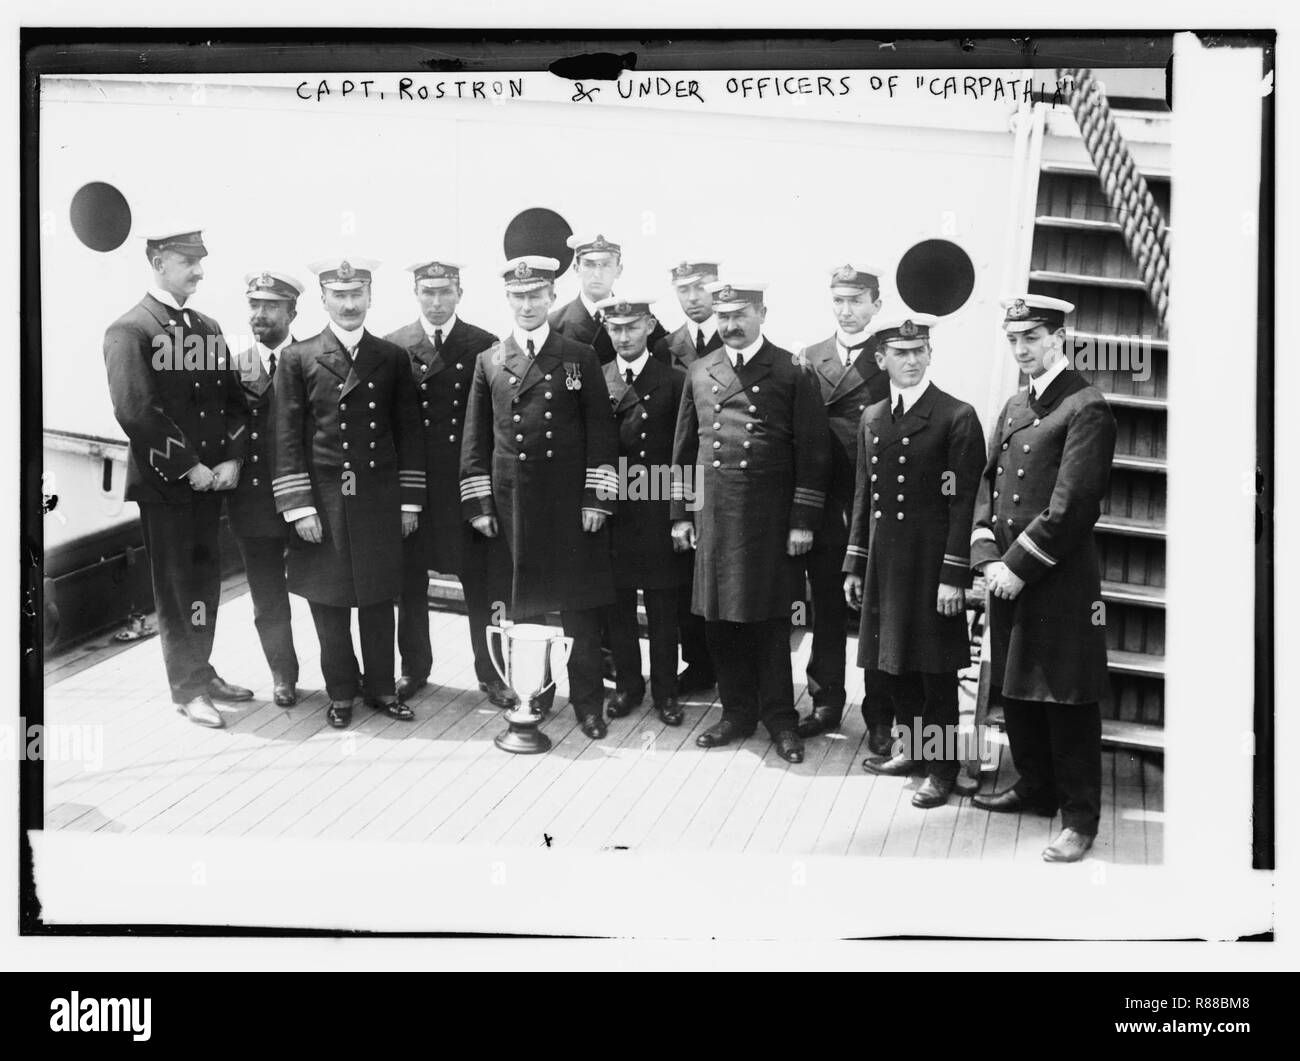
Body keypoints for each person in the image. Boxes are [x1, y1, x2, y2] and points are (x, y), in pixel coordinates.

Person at [969, 294, 1117, 862]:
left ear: (1059, 337)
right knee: (1018, 689)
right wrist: (986, 555)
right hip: (1007, 574)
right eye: (1013, 339)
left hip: (1056, 580)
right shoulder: (1014, 406)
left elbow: (1074, 505)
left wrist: (1017, 565)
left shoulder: (1085, 406)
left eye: (1031, 338)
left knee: (1066, 696)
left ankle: (1079, 819)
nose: (1021, 349)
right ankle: (1035, 788)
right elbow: (987, 485)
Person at [671, 281, 832, 764]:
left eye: (740, 315)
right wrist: (679, 515)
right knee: (719, 622)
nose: (730, 325)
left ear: (762, 312)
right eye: (723, 317)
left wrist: (803, 520)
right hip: (715, 517)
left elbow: (814, 452)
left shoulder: (791, 370)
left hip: (769, 520)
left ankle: (780, 719)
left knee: (769, 623)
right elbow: (682, 451)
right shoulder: (700, 371)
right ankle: (737, 712)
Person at [460, 256, 619, 740]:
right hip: (515, 508)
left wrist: (598, 498)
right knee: (524, 608)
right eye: (519, 296)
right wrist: (481, 505)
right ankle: (534, 693)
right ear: (507, 300)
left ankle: (588, 704)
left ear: (552, 298)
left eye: (536, 296)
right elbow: (475, 441)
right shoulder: (489, 360)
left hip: (570, 506)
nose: (528, 305)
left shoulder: (578, 356)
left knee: (579, 608)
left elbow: (601, 434)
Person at [103, 226, 253, 728]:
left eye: (200, 261)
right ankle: (186, 688)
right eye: (189, 261)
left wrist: (231, 459)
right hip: (169, 487)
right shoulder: (130, 330)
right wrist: (190, 467)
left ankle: (202, 669)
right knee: (175, 586)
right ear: (160, 262)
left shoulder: (208, 328)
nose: (199, 271)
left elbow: (234, 403)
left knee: (205, 583)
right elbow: (137, 412)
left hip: (212, 484)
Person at [271, 257, 425, 729]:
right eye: (340, 295)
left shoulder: (392, 357)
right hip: (323, 502)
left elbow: (409, 433)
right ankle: (340, 691)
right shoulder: (298, 358)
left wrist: (409, 501)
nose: (350, 304)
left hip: (378, 501)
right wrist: (299, 508)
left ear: (370, 297)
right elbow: (286, 438)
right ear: (324, 300)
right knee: (329, 603)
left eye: (357, 294)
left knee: (379, 600)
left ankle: (380, 688)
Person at [841, 315, 985, 808]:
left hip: (930, 564)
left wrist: (953, 576)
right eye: (900, 353)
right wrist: (855, 563)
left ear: (929, 355)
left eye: (918, 350)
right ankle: (916, 751)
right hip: (885, 562)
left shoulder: (956, 416)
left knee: (936, 670)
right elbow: (864, 494)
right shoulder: (873, 416)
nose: (910, 360)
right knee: (892, 664)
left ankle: (943, 770)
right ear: (880, 360)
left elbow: (964, 502)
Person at [385, 260, 514, 708]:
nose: (436, 302)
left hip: (466, 489)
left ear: (460, 292)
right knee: (409, 585)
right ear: (415, 293)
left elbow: (495, 424)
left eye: (445, 292)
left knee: (484, 586)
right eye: (428, 292)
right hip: (414, 491)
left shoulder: (485, 345)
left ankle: (493, 672)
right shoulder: (394, 346)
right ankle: (414, 669)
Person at [794, 264, 892, 744]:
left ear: (877, 304)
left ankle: (879, 717)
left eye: (857, 301)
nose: (847, 311)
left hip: (873, 504)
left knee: (875, 610)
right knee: (827, 607)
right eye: (839, 301)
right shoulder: (807, 358)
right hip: (827, 503)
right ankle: (826, 701)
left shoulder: (890, 356)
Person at [597, 296, 690, 727]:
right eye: (615, 328)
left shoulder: (674, 380)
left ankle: (666, 693)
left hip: (657, 511)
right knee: (617, 606)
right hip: (613, 511)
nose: (624, 336)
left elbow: (686, 452)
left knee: (662, 608)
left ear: (650, 325)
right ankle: (628, 688)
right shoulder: (599, 379)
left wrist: (681, 513)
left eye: (632, 326)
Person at [225, 270, 303, 708]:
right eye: (254, 305)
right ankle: (283, 674)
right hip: (254, 504)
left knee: (327, 591)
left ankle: (343, 672)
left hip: (309, 502)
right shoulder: (233, 368)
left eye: (271, 306)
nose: (260, 314)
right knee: (267, 596)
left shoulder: (312, 360)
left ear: (292, 312)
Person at [651, 257, 724, 694]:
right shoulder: (666, 347)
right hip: (679, 475)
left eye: (702, 287)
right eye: (684, 290)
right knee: (682, 579)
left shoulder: (735, 336)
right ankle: (697, 664)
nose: (694, 298)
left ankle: (731, 666)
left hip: (726, 476)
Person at [549, 233, 667, 365]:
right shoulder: (555, 324)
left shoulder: (638, 316)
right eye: (589, 265)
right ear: (576, 269)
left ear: (618, 270)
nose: (597, 274)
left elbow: (667, 353)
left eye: (606, 265)